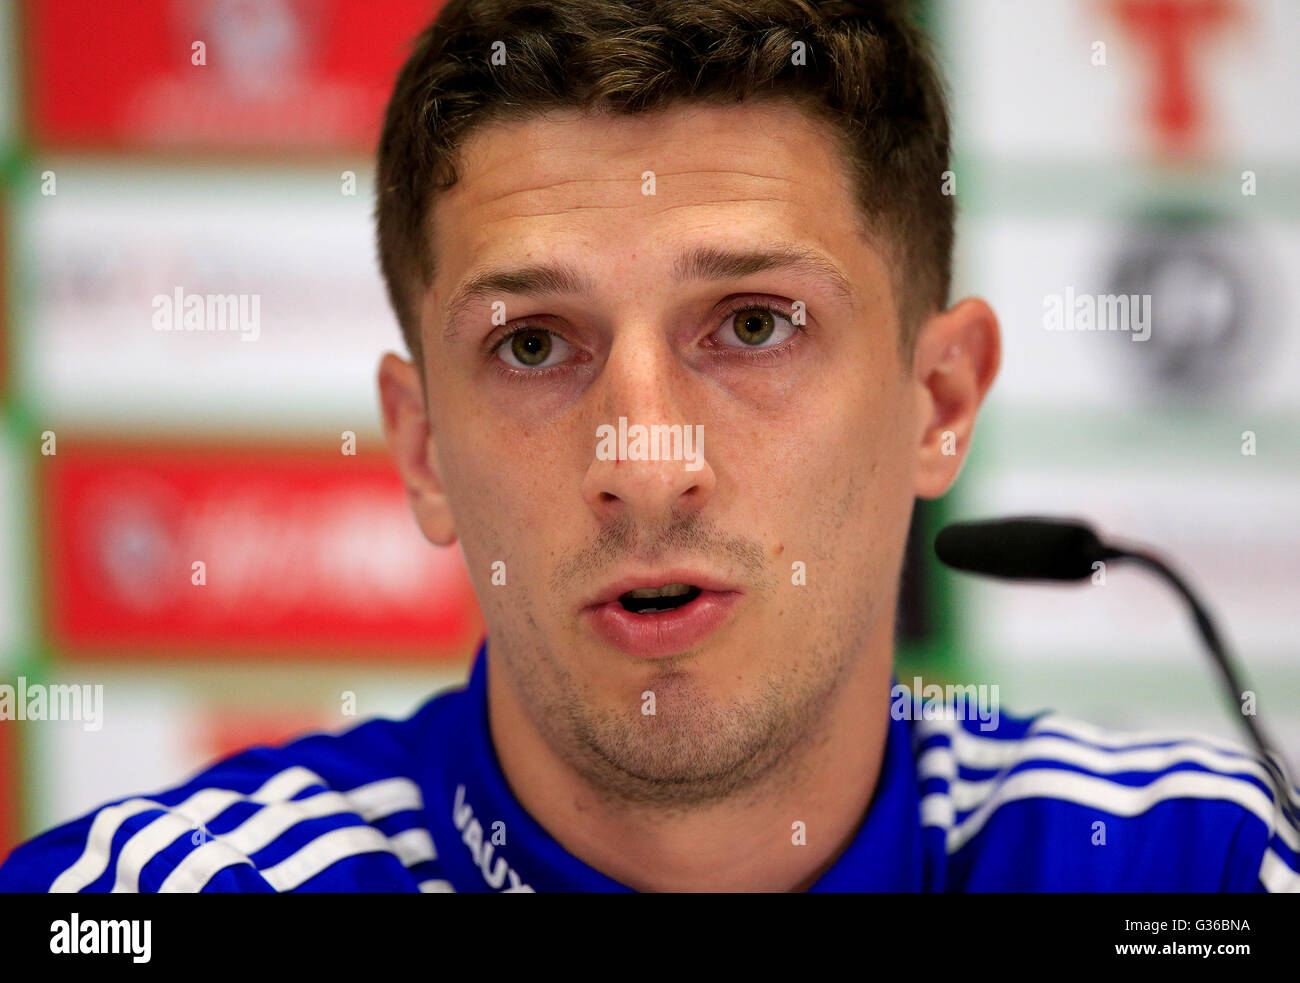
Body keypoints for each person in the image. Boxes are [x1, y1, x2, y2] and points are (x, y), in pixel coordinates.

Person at [3, 0, 1295, 893]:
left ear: (942, 400)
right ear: (423, 450)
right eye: (531, 345)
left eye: (750, 323)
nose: (644, 452)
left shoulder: (1201, 872)